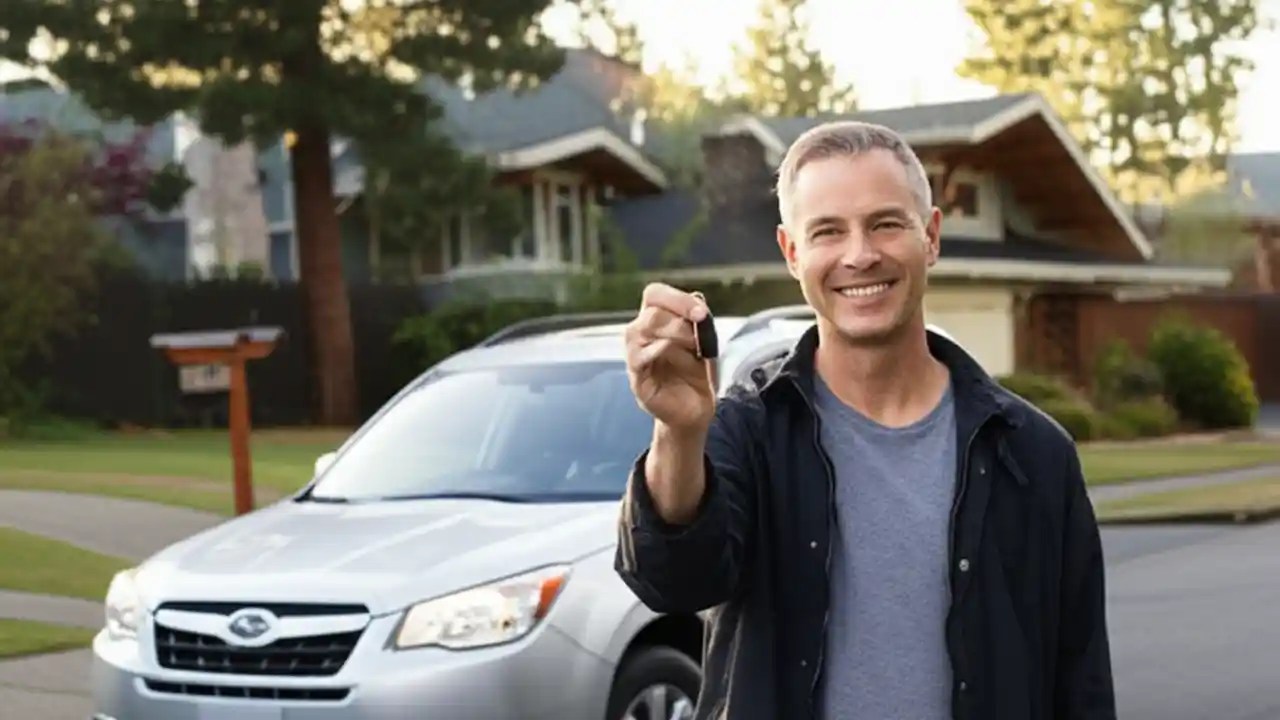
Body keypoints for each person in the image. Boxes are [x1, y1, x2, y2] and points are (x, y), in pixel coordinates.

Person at [615, 120, 1115, 720]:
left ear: (930, 236)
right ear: (792, 251)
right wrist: (679, 430)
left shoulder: (1033, 453)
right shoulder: (748, 430)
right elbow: (675, 584)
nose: (860, 254)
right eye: (828, 231)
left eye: (885, 223)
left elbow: (1079, 679)